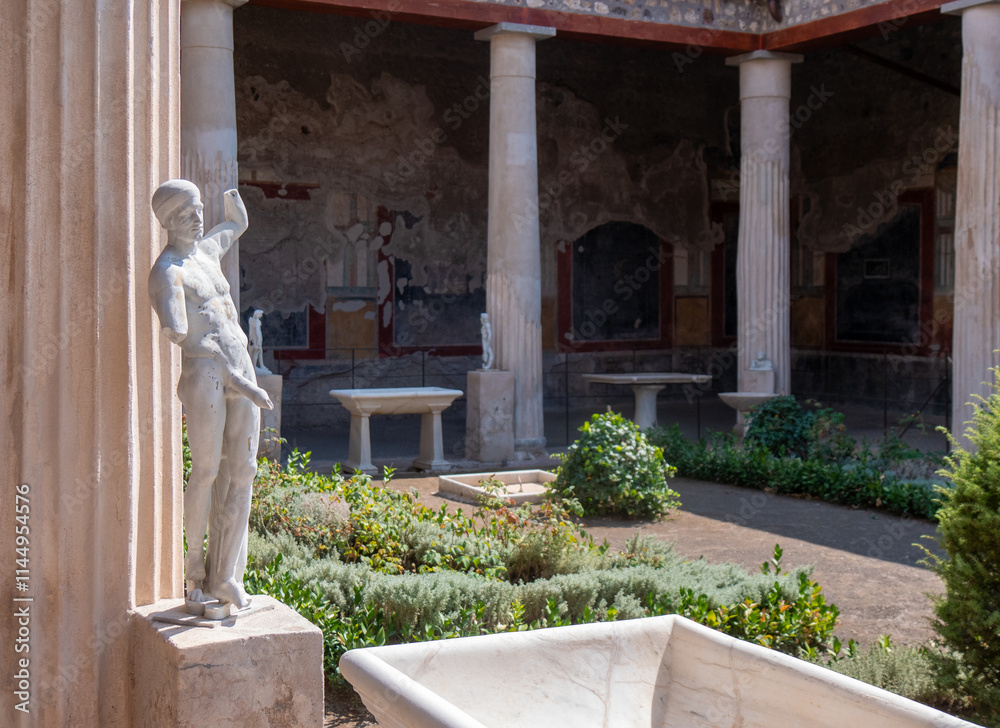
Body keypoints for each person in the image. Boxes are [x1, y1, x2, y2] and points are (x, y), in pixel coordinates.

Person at [148, 179, 272, 611]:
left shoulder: (207, 251)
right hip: (207, 376)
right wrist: (175, 311)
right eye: (186, 214)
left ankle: (225, 576)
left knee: (243, 470)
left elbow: (235, 224)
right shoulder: (167, 272)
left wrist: (232, 202)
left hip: (240, 368)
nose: (197, 219)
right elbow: (177, 331)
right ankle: (196, 565)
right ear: (166, 222)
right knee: (204, 470)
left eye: (198, 209)